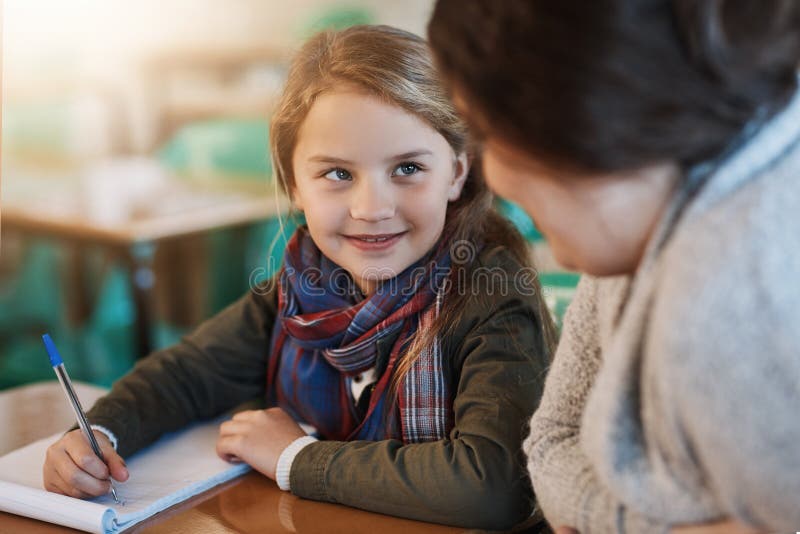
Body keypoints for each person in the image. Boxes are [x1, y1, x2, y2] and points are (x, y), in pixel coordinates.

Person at [42, 25, 556, 530]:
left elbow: (493, 488)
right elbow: (186, 375)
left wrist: (294, 458)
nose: (371, 208)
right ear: (294, 184)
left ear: (458, 172)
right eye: (337, 173)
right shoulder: (302, 285)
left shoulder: (494, 293)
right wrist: (98, 432)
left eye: (407, 169)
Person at [428, 1, 800, 532]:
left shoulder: (728, 302)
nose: (490, 175)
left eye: (485, 134)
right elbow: (553, 438)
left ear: (580, 121)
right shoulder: (639, 237)